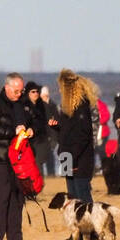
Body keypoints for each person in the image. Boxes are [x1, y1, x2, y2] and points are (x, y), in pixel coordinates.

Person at [0, 73, 39, 240]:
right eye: (16, 90)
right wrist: (12, 131)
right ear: (6, 87)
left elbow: (36, 121)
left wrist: (31, 130)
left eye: (21, 91)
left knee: (17, 198)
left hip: (21, 160)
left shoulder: (24, 105)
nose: (19, 94)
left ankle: (15, 237)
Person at [47, 69, 98, 205]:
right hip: (67, 156)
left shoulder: (81, 107)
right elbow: (67, 133)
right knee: (72, 197)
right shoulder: (66, 108)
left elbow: (83, 136)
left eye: (61, 88)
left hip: (79, 159)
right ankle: (81, 225)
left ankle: (91, 225)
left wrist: (73, 159)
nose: (59, 91)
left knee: (83, 195)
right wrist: (56, 127)